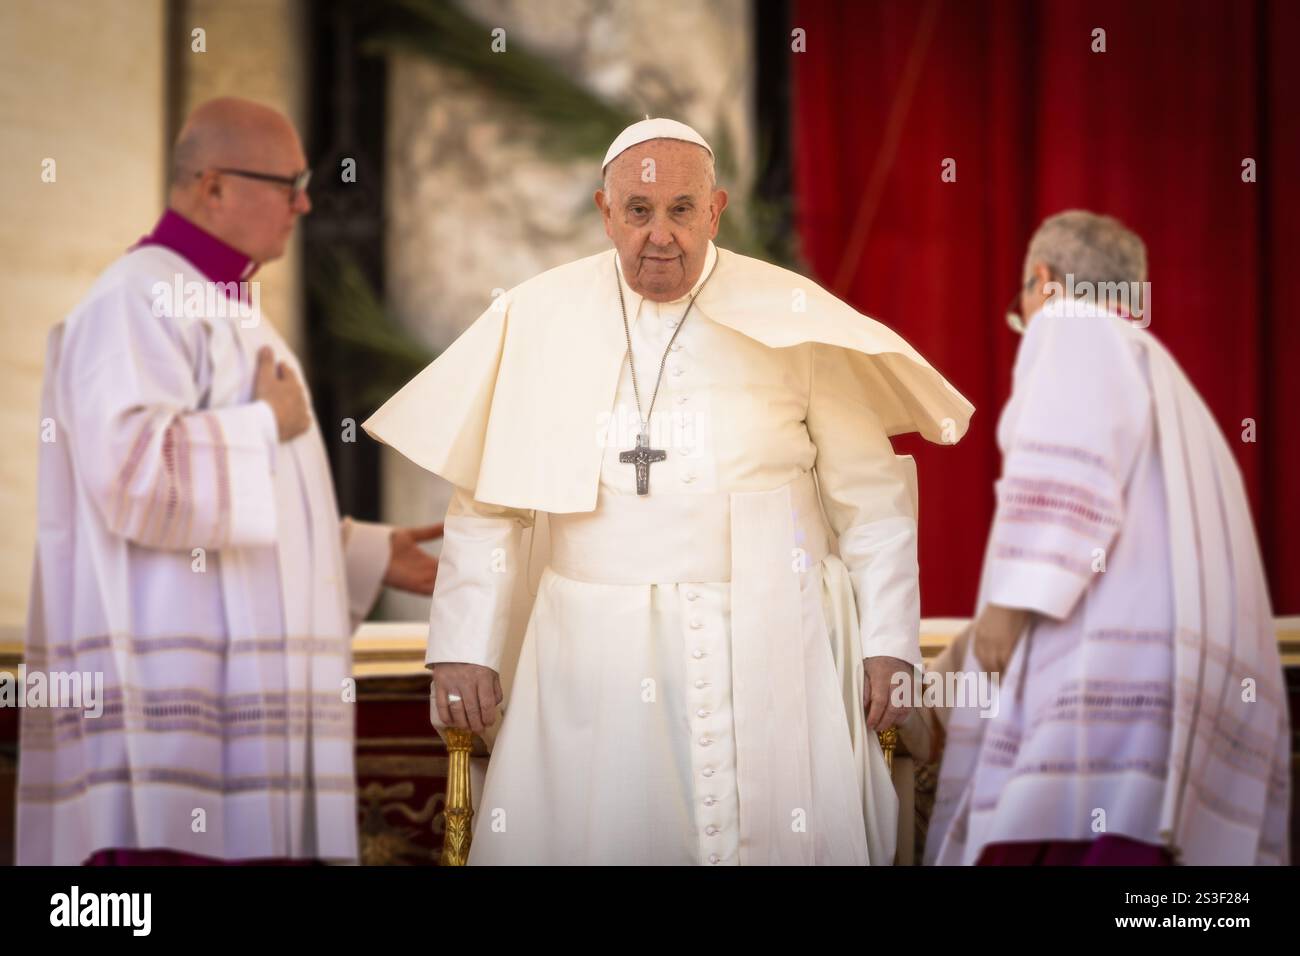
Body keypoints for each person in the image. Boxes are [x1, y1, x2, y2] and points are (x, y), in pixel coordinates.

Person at [364, 118, 973, 865]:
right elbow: (489, 506)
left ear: (715, 210)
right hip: (592, 650)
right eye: (639, 211)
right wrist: (461, 647)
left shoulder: (793, 316)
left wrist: (889, 644)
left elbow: (871, 503)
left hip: (774, 638)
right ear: (604, 210)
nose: (661, 235)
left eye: (682, 210)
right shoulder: (537, 317)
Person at [18, 97, 441, 866]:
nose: (306, 202)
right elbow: (131, 476)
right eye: (289, 183)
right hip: (174, 729)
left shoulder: (229, 308)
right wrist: (260, 427)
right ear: (212, 186)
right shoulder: (136, 301)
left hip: (239, 724)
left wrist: (357, 554)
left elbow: (240, 524)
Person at [925, 210, 1289, 866]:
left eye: (1023, 307)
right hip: (1169, 702)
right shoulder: (1170, 382)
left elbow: (1068, 476)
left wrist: (1006, 612)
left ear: (1043, 280)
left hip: (1100, 696)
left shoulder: (1071, 326)